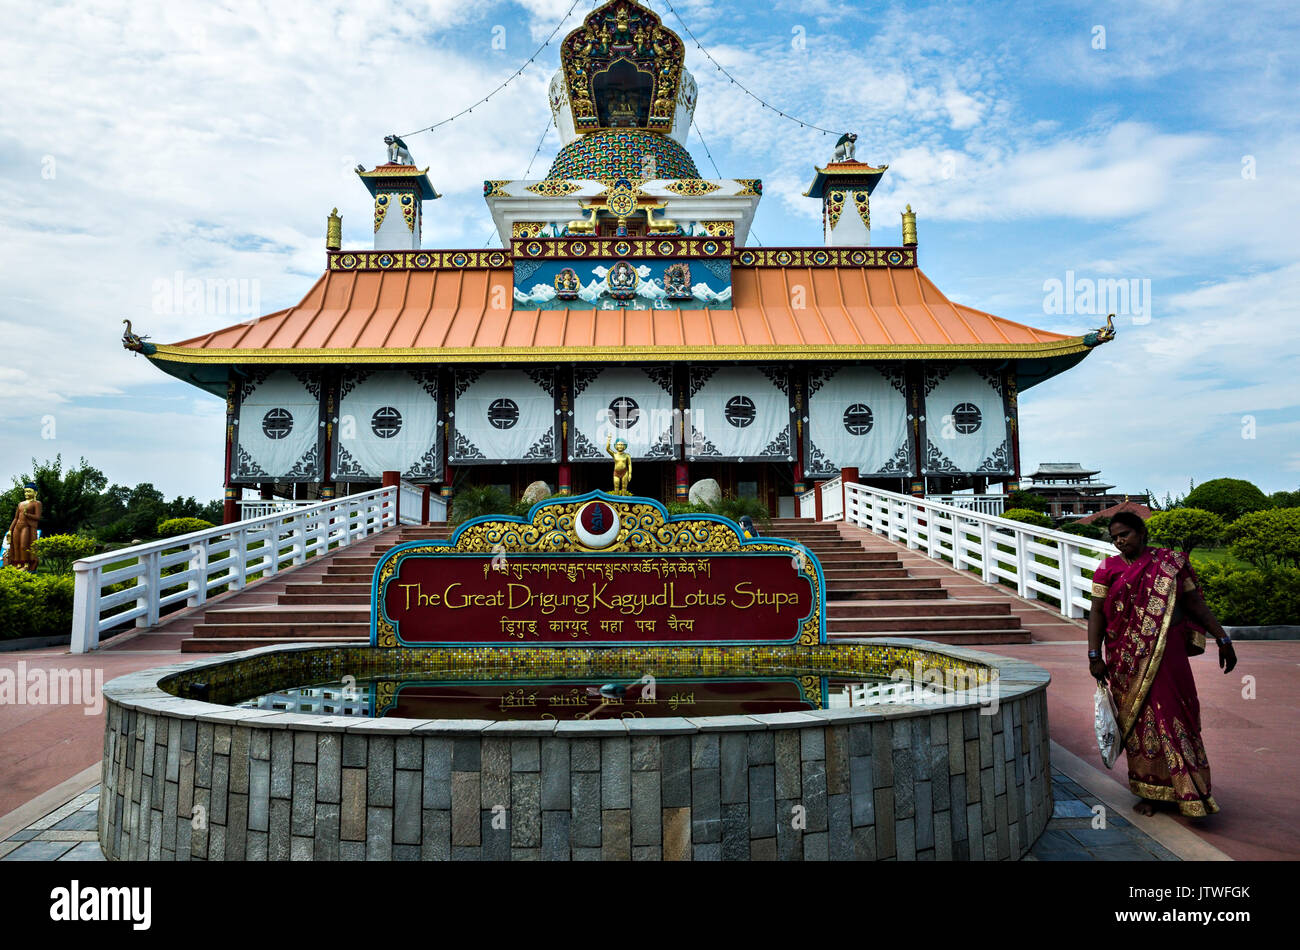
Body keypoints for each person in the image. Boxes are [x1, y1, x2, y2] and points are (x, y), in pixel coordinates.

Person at [1087, 510, 1237, 817]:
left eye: (1124, 535)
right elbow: (1098, 613)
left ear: (1141, 532)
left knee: (1175, 713)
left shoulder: (1171, 564)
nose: (1119, 542)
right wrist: (1094, 654)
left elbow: (1195, 605)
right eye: (1114, 537)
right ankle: (1150, 791)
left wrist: (1223, 638)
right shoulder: (1107, 568)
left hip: (1169, 656)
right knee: (1139, 722)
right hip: (1125, 659)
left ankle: (1190, 788)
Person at [3, 483, 41, 571]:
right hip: (17, 526)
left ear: (35, 493)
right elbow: (16, 518)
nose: (26, 494)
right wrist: (10, 530)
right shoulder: (20, 504)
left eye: (29, 491)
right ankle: (18, 563)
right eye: (25, 491)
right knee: (16, 545)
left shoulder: (37, 503)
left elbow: (38, 517)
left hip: (27, 527)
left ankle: (26, 564)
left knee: (24, 546)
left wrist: (27, 515)